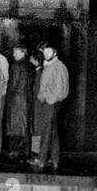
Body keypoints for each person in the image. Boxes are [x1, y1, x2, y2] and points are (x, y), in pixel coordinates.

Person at [31, 42, 69, 172]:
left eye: (49, 52)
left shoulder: (55, 67)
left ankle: (42, 160)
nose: (46, 54)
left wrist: (47, 98)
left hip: (50, 103)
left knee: (46, 132)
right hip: (52, 103)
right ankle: (55, 160)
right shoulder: (56, 65)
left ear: (55, 53)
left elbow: (58, 88)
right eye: (45, 52)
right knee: (53, 132)